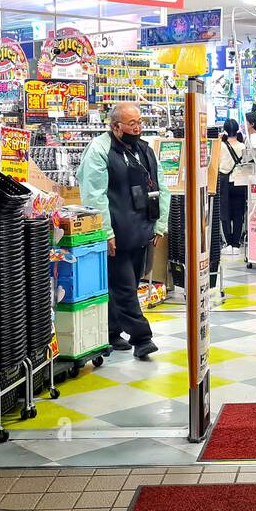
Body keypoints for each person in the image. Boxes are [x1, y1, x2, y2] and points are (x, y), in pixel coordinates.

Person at [76, 102, 168, 359]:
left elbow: (162, 187)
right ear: (115, 126)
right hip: (116, 231)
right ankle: (142, 338)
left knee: (128, 283)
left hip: (142, 229)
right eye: (132, 124)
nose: (138, 128)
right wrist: (106, 232)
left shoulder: (145, 150)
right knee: (125, 287)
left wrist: (160, 224)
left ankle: (111, 331)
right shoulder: (100, 150)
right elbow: (94, 195)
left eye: (140, 122)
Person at [215, 118, 248, 249]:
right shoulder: (243, 146)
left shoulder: (220, 146)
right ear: (237, 130)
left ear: (225, 130)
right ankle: (236, 242)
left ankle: (228, 241)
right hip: (239, 182)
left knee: (225, 211)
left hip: (224, 182)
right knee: (238, 213)